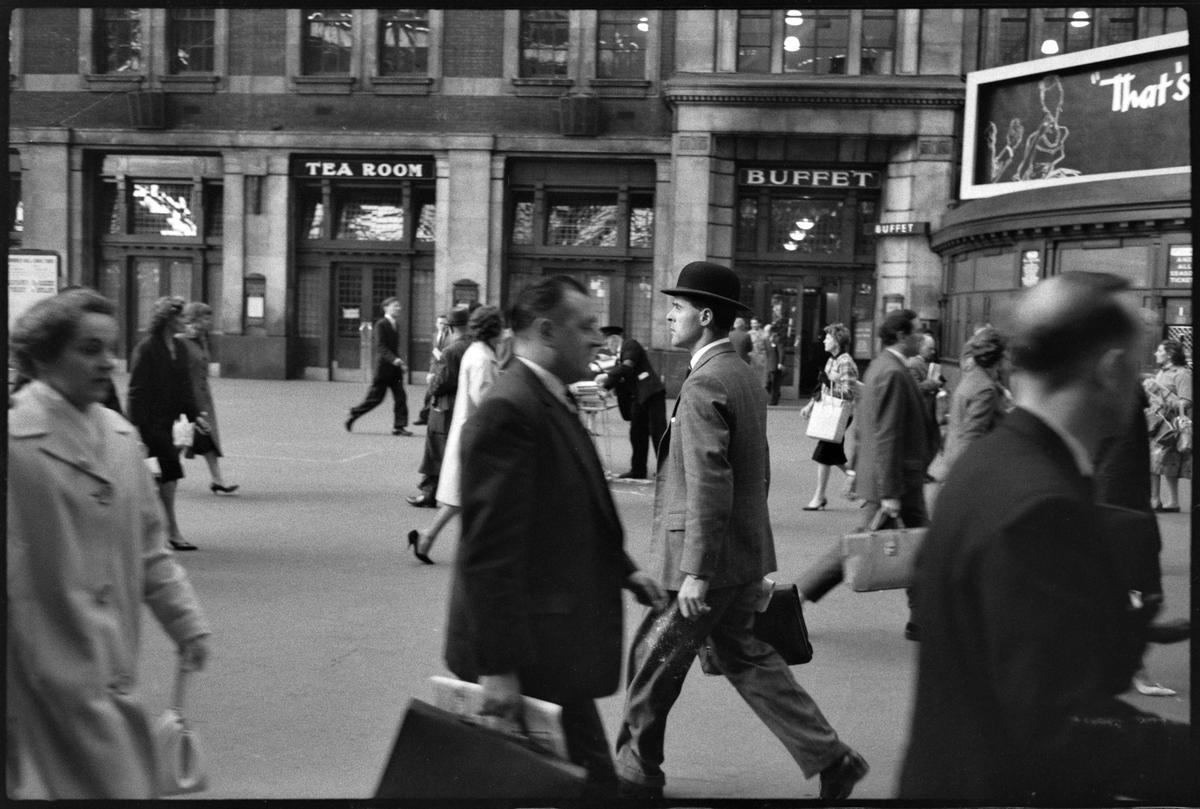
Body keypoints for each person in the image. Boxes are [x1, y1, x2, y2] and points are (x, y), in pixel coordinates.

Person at [898, 272, 1198, 802]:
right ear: (1111, 370)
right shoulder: (1043, 506)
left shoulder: (988, 464)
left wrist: (1124, 626)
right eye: (1135, 364)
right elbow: (1058, 734)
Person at [614, 262, 869, 801]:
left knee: (654, 664)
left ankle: (636, 772)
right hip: (737, 554)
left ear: (704, 316)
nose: (669, 313)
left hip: (702, 561)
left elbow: (711, 483)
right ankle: (832, 757)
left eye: (678, 307)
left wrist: (696, 573)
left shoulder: (707, 380)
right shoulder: (741, 375)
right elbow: (757, 470)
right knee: (745, 657)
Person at [443, 275, 666, 798]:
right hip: (528, 656)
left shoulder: (547, 397)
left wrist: (626, 571)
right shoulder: (510, 410)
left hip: (549, 649)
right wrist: (498, 669)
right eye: (586, 326)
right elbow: (488, 553)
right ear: (546, 330)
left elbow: (570, 515)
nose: (599, 339)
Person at [8, 288, 211, 799]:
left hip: (110, 660)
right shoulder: (14, 443)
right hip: (39, 670)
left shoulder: (120, 436)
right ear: (47, 355)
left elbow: (150, 549)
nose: (107, 362)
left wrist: (187, 624)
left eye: (109, 348)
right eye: (89, 349)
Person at [794, 309, 937, 636]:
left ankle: (922, 618)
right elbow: (885, 434)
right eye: (917, 331)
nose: (923, 337)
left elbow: (865, 428)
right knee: (862, 545)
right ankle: (799, 594)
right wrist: (888, 492)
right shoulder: (892, 372)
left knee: (915, 547)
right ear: (901, 336)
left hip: (897, 479)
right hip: (896, 482)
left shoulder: (883, 368)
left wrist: (857, 471)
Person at [407, 304, 504, 563]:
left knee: (461, 495)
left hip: (468, 430)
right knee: (486, 494)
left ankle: (427, 538)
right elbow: (485, 400)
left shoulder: (476, 352)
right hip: (479, 434)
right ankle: (479, 550)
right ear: (494, 330)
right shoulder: (483, 357)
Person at [127, 295, 209, 551]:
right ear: (167, 319)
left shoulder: (180, 348)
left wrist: (197, 417)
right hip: (150, 422)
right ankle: (170, 532)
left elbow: (185, 387)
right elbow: (136, 391)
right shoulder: (147, 348)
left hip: (170, 421)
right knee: (168, 474)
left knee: (161, 477)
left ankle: (154, 530)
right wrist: (137, 429)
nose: (185, 321)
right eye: (180, 317)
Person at [406, 305, 470, 509]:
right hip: (460, 404)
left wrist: (432, 381)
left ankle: (428, 493)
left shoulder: (451, 350)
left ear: (450, 328)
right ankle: (434, 491)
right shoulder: (472, 345)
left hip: (444, 406)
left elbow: (441, 382)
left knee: (435, 447)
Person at [179, 301, 238, 495]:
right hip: (185, 397)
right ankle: (158, 475)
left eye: (210, 317)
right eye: (205, 317)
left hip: (202, 396)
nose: (210, 321)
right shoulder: (180, 340)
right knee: (180, 439)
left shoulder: (202, 339)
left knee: (207, 438)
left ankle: (217, 480)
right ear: (194, 318)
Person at [595, 325, 667, 480]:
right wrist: (605, 387)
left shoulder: (630, 345)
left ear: (614, 339)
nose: (608, 347)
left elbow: (627, 367)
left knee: (658, 433)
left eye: (607, 343)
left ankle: (666, 472)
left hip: (651, 394)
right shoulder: (620, 356)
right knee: (637, 435)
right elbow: (618, 376)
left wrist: (605, 377)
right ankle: (638, 470)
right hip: (638, 398)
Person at [799, 323, 858, 510]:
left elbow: (849, 392)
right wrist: (810, 405)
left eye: (828, 337)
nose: (824, 340)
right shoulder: (831, 360)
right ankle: (859, 481)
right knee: (835, 456)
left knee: (823, 454)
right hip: (830, 412)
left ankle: (819, 497)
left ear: (837, 341)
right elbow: (823, 388)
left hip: (841, 414)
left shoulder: (845, 361)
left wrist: (831, 385)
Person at [940, 325, 1008, 473]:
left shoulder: (973, 378)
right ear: (999, 358)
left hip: (952, 457)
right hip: (969, 468)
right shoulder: (985, 389)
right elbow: (972, 437)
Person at [345, 296, 411, 436]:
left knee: (401, 397)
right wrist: (394, 360)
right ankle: (354, 413)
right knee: (375, 399)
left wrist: (400, 363)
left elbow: (393, 348)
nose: (398, 308)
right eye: (395, 306)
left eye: (399, 306)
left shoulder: (396, 325)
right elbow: (380, 346)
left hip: (395, 370)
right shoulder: (381, 324)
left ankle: (399, 427)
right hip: (383, 370)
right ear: (386, 307)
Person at [1145, 338, 1192, 512]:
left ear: (1170, 354)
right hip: (1155, 423)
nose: (1155, 353)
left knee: (1165, 462)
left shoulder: (1182, 374)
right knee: (1156, 463)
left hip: (1170, 426)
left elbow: (1186, 402)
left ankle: (1169, 501)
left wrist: (1160, 393)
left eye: (1159, 350)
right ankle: (1158, 500)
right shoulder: (1161, 372)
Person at [414, 313, 450, 426]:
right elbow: (433, 356)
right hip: (435, 368)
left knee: (434, 393)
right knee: (429, 393)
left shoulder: (450, 336)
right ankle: (425, 417)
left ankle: (425, 417)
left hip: (444, 368)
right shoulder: (434, 336)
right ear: (436, 324)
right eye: (440, 323)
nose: (442, 325)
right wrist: (430, 372)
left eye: (445, 323)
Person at [765, 320, 785, 405]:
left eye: (767, 331)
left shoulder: (777, 338)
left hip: (775, 364)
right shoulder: (766, 339)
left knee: (774, 384)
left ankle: (774, 400)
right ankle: (776, 395)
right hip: (768, 364)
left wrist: (780, 363)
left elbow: (781, 351)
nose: (765, 332)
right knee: (768, 383)